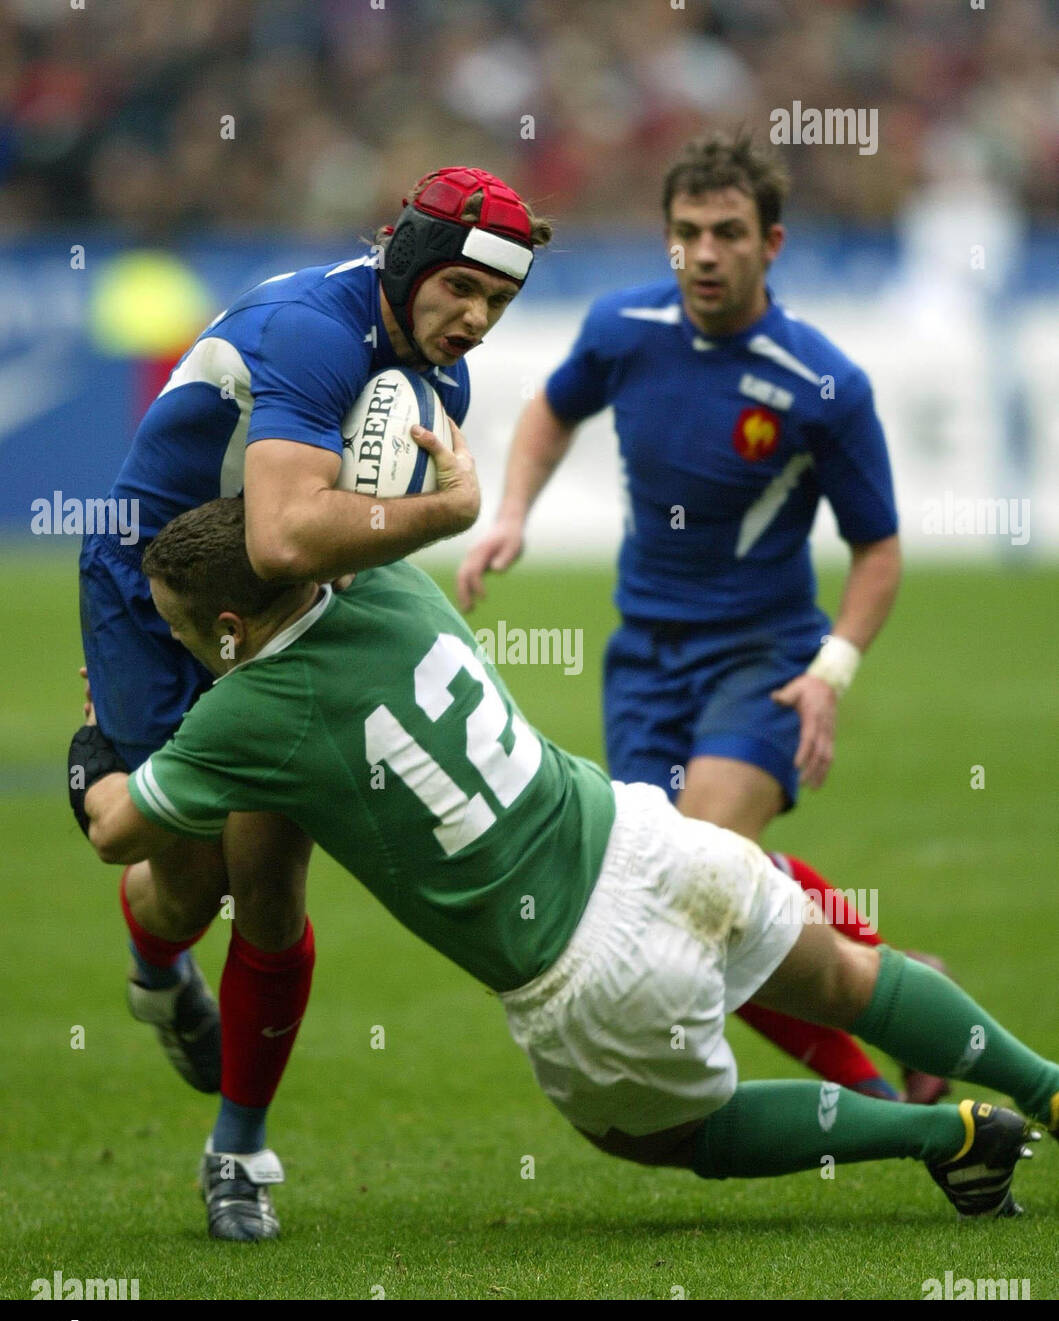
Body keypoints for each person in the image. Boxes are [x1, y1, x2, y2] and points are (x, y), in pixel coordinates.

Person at [74, 497, 1056, 1238]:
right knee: (851, 976)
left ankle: (949, 1140)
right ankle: (1045, 1082)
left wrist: (93, 742)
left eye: (181, 627)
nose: (174, 641)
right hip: (655, 841)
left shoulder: (243, 717)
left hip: (584, 971)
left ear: (233, 631)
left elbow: (119, 832)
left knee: (670, 1135)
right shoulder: (389, 580)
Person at [77, 166, 551, 1239]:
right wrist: (449, 512)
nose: (474, 320)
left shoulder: (435, 376)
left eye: (498, 303)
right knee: (181, 886)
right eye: (461, 289)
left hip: (279, 610)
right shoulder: (311, 333)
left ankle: (238, 1152)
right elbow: (282, 533)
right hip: (160, 595)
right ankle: (157, 969)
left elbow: (304, 560)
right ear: (409, 259)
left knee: (273, 883)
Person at [457, 131, 944, 1105]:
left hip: (763, 657)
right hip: (643, 658)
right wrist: (512, 511)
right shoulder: (623, 327)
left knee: (705, 885)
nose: (706, 254)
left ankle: (869, 1099)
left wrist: (830, 671)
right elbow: (552, 410)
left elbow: (878, 549)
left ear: (774, 243)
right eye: (686, 233)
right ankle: (906, 986)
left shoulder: (823, 384)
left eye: (728, 233)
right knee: (682, 900)